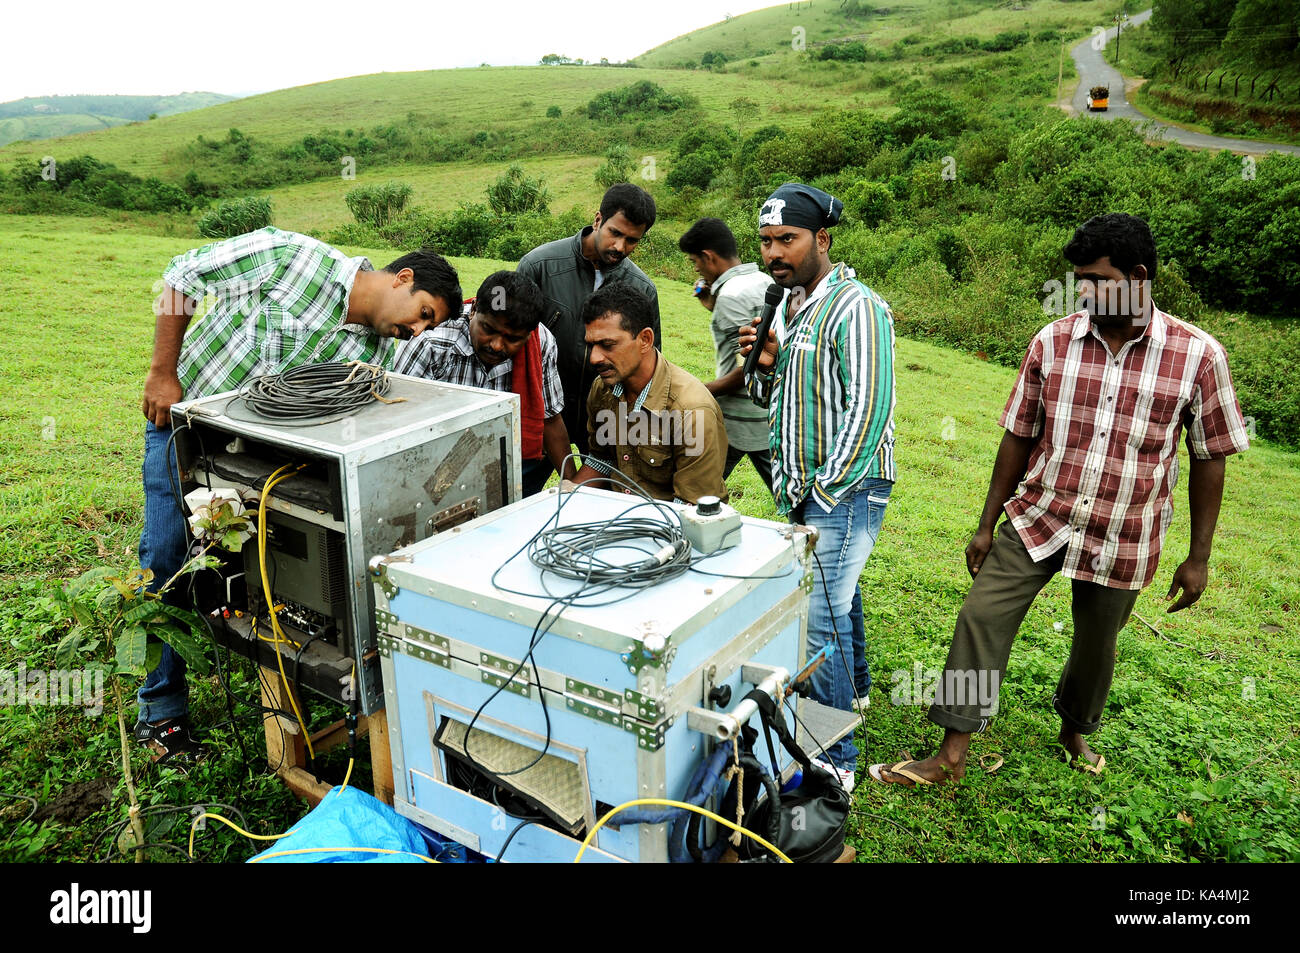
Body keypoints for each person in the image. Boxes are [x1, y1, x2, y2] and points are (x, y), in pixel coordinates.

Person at [868, 213, 1251, 788]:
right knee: (980, 617)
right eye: (1079, 280)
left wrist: (1198, 556)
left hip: (1124, 532)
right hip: (1039, 518)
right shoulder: (1053, 341)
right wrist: (985, 521)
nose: (1084, 292)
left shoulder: (1199, 356)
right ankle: (951, 753)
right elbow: (1018, 433)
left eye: (1095, 279)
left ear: (1138, 276)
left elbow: (1210, 454)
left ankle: (1074, 729)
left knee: (1096, 648)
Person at [138, 226, 462, 763]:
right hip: (188, 422)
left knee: (254, 563)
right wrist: (161, 374)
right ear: (402, 279)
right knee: (169, 555)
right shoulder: (292, 258)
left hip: (263, 459)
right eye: (424, 313)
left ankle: (273, 677)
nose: (418, 331)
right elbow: (179, 278)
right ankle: (163, 710)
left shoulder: (380, 354)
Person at [741, 183, 898, 793]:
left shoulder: (857, 307)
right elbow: (774, 401)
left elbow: (869, 408)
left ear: (822, 240)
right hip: (805, 485)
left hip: (847, 486)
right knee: (840, 597)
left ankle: (833, 760)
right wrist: (764, 362)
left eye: (788, 240)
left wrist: (826, 494)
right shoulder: (787, 307)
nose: (774, 253)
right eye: (766, 242)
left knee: (817, 618)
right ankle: (855, 689)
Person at [393, 270, 576, 495]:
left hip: (507, 456)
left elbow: (550, 419)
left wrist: (573, 486)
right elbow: (399, 425)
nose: (497, 345)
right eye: (489, 330)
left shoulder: (541, 342)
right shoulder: (431, 340)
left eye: (513, 339)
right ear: (474, 310)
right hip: (435, 454)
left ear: (529, 335)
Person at [516, 183, 662, 464]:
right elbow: (512, 346)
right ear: (598, 220)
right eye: (615, 233)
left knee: (604, 501)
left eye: (632, 240)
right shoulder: (539, 266)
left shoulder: (642, 289)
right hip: (541, 416)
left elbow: (649, 365)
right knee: (520, 496)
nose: (620, 247)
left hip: (605, 421)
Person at [571, 284, 728, 504]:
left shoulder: (692, 411)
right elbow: (601, 459)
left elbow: (691, 506)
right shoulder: (602, 389)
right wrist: (564, 499)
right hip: (618, 520)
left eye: (607, 345)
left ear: (645, 339)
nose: (594, 358)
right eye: (591, 345)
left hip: (670, 529)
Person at [678, 217, 776, 495]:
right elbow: (751, 332)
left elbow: (749, 366)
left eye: (694, 261)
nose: (696, 268)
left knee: (696, 492)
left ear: (708, 257)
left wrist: (702, 391)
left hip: (738, 419)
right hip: (768, 415)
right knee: (791, 498)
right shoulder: (761, 280)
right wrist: (714, 304)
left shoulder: (732, 295)